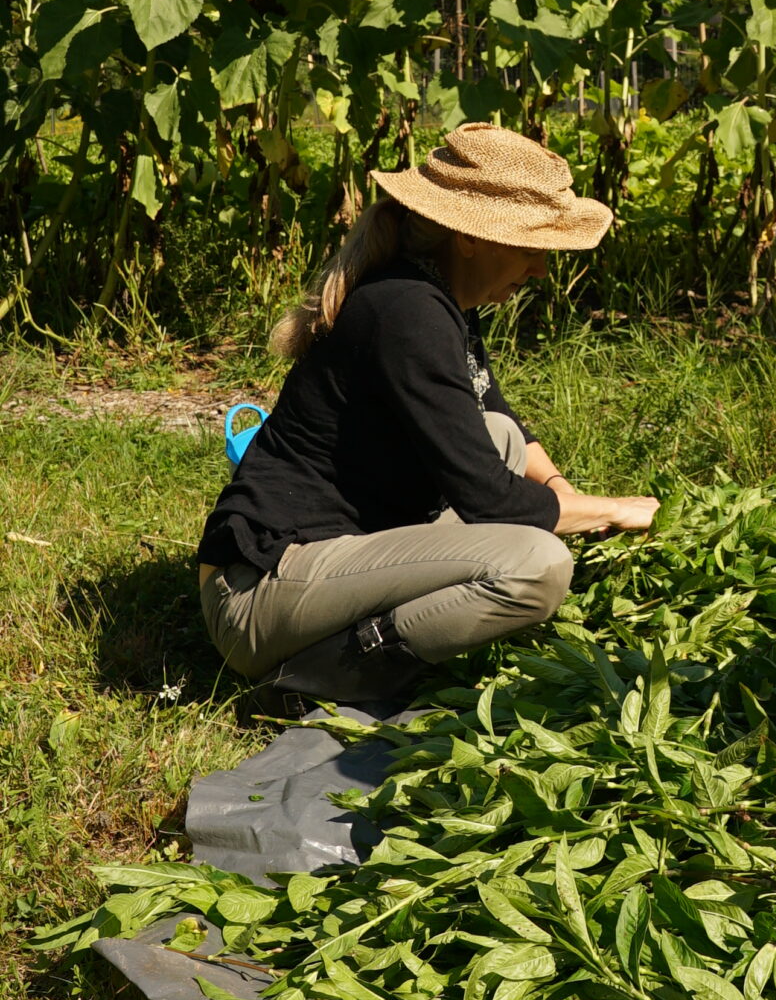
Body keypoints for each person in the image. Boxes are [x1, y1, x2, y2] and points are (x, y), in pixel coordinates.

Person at [197, 122, 658, 706]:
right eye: (531, 247)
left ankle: (352, 648)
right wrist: (612, 511)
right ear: (470, 237)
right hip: (256, 593)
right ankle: (320, 677)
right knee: (537, 566)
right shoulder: (407, 313)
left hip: (321, 557)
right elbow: (491, 501)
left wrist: (565, 491)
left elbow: (497, 414)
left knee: (500, 437)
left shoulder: (436, 297)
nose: (541, 269)